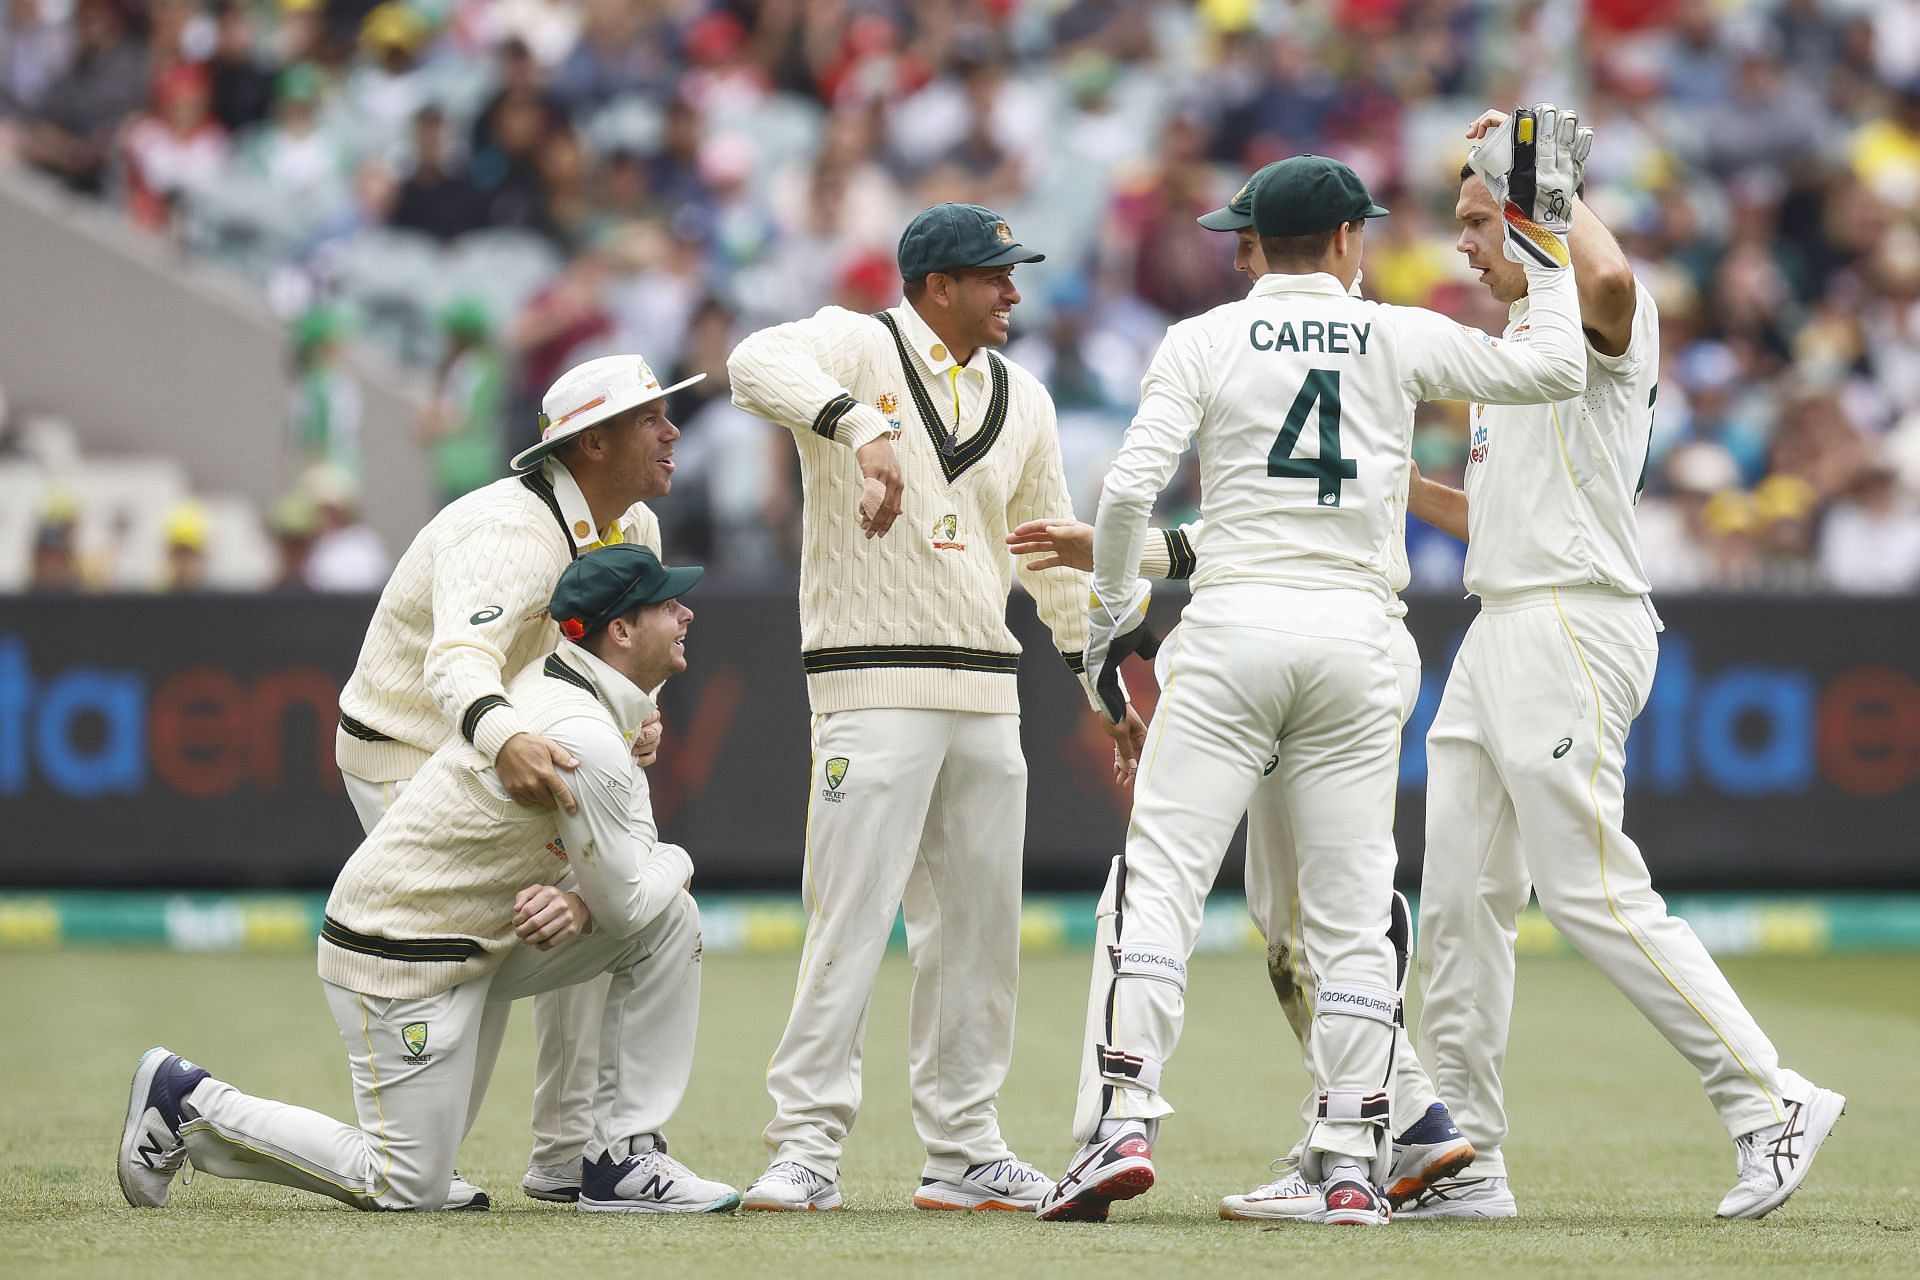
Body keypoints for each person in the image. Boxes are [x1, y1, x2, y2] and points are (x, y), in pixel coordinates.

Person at [1035, 121, 1592, 1226]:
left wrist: (1110, 618)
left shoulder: (1200, 342)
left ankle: (1121, 1121)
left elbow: (1130, 492)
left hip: (1235, 630)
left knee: (1159, 882)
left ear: (1257, 246)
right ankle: (1350, 1154)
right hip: (1357, 640)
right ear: (1345, 238)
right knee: (1347, 912)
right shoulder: (1396, 336)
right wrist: (1550, 234)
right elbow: (1557, 366)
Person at [1403, 108, 1845, 1221]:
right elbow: (1496, 516)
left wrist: (1538, 173)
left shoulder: (1610, 312)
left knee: (1591, 887)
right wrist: (1389, 478)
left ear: (1523, 216)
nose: (1461, 243)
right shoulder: (1514, 351)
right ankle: (1469, 1160)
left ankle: (1768, 1098)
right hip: (1500, 618)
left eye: (1473, 219)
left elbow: (1598, 273)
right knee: (1459, 897)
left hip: (1573, 621)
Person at [725, 202, 1145, 1213]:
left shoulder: (1027, 399)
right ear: (936, 286)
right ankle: (806, 1147)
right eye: (993, 275)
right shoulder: (855, 344)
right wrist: (860, 424)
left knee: (978, 931)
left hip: (986, 695)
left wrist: (1102, 680)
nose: (1012, 291)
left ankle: (963, 1147)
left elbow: (1045, 559)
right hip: (869, 683)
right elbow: (750, 363)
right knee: (849, 921)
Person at [117, 545, 735, 1215]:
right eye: (669, 605)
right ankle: (186, 1103)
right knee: (404, 1186)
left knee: (671, 921)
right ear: (620, 630)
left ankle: (621, 1160)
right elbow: (627, 899)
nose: (686, 613)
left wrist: (586, 899)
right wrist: (668, 865)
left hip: (476, 937)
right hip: (399, 949)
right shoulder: (584, 731)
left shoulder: (573, 687)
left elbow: (627, 876)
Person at [332, 353, 693, 1208]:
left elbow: (630, 649)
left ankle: (569, 1157)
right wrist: (504, 742)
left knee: (596, 902)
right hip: (412, 746)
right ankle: (417, 1158)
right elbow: (458, 662)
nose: (673, 432)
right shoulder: (507, 532)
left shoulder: (633, 525)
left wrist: (640, 714)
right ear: (594, 441)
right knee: (477, 940)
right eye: (652, 419)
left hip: (525, 739)